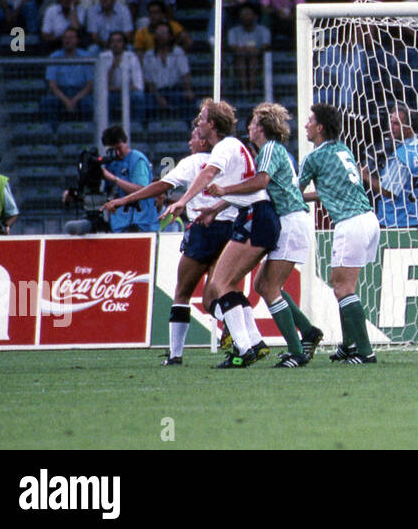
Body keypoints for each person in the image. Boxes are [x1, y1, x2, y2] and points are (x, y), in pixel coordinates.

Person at [161, 99, 281, 369]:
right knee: (222, 285)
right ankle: (254, 342)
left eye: (201, 119)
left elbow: (208, 175)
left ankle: (246, 348)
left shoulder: (225, 147)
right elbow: (241, 186)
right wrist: (215, 208)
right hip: (255, 215)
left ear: (212, 124)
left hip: (255, 215)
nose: (198, 124)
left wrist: (182, 201)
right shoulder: (237, 147)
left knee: (220, 285)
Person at [104, 127, 237, 366]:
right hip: (229, 229)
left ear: (205, 142)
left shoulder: (194, 162)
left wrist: (123, 200)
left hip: (202, 230)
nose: (189, 142)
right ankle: (234, 327)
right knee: (213, 296)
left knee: (182, 293)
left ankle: (176, 355)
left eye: (195, 137)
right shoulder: (231, 158)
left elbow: (161, 186)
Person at [204, 103, 323, 367]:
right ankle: (309, 331)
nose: (249, 126)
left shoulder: (269, 149)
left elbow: (260, 183)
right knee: (261, 284)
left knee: (269, 288)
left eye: (253, 121)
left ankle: (296, 352)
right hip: (288, 220)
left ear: (262, 127)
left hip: (290, 221)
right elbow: (258, 189)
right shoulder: (273, 151)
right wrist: (217, 205)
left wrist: (224, 190)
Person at [299, 103, 382, 365]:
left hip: (350, 223)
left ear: (319, 127)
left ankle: (365, 352)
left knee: (343, 288)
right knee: (340, 283)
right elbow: (330, 190)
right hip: (368, 219)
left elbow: (293, 192)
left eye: (309, 121)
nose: (305, 125)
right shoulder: (343, 149)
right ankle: (348, 345)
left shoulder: (314, 157)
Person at [361, 103, 418, 228]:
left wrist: (364, 175)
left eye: (396, 123)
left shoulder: (402, 155)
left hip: (399, 223)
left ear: (409, 126)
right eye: (390, 122)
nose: (391, 127)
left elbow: (388, 191)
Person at [94, 125, 157, 233]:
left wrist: (114, 179)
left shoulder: (137, 160)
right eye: (113, 150)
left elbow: (141, 190)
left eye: (119, 148)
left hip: (141, 224)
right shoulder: (111, 164)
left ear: (125, 142)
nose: (118, 153)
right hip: (118, 226)